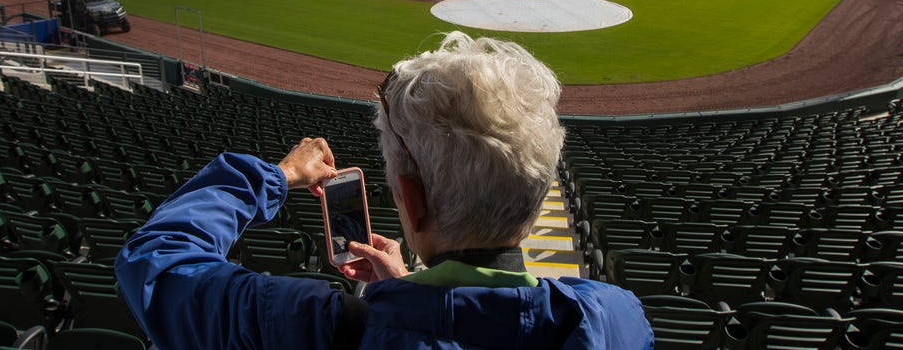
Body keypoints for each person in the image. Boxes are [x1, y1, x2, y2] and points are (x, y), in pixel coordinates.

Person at [116, 32, 653, 349]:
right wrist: (414, 284)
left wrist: (276, 176)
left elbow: (154, 265)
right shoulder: (615, 319)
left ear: (411, 201)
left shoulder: (312, 325)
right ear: (540, 191)